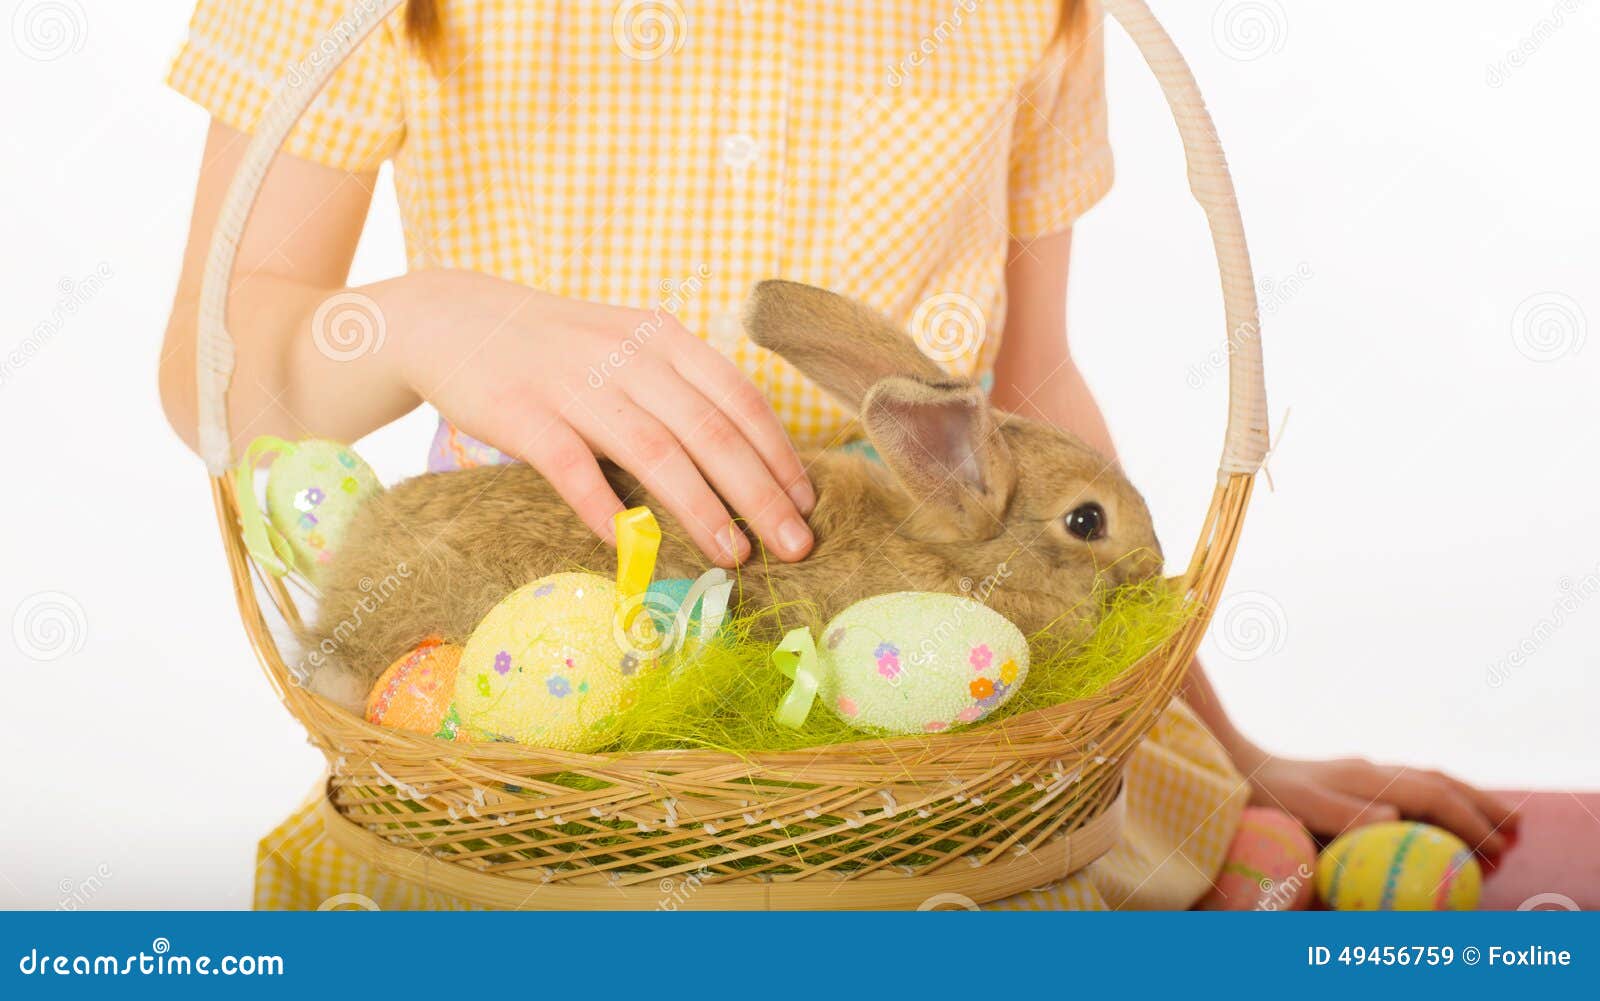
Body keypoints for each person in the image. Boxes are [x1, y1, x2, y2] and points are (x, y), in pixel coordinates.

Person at [158, 0, 1515, 909]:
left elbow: (1031, 405)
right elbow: (212, 371)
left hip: (926, 787)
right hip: (550, 767)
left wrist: (1221, 738)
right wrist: (424, 321)